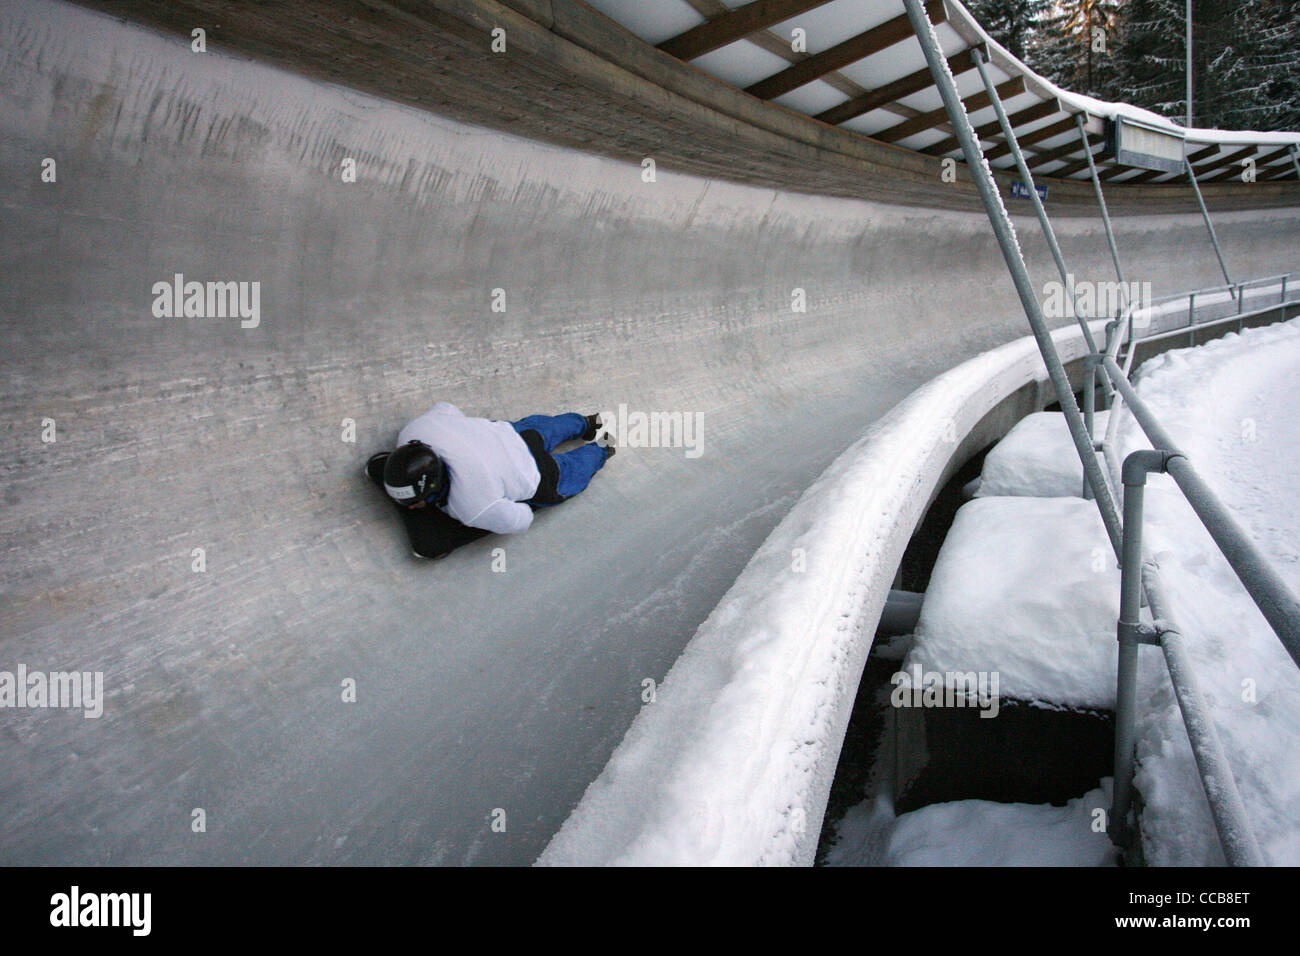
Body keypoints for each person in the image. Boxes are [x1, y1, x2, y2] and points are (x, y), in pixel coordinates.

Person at [365, 402, 613, 559]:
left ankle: (603, 447)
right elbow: (447, 409)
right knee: (550, 426)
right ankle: (588, 422)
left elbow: (522, 519)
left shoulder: (470, 506)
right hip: (515, 434)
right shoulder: (415, 430)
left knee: (574, 471)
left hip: (537, 474)